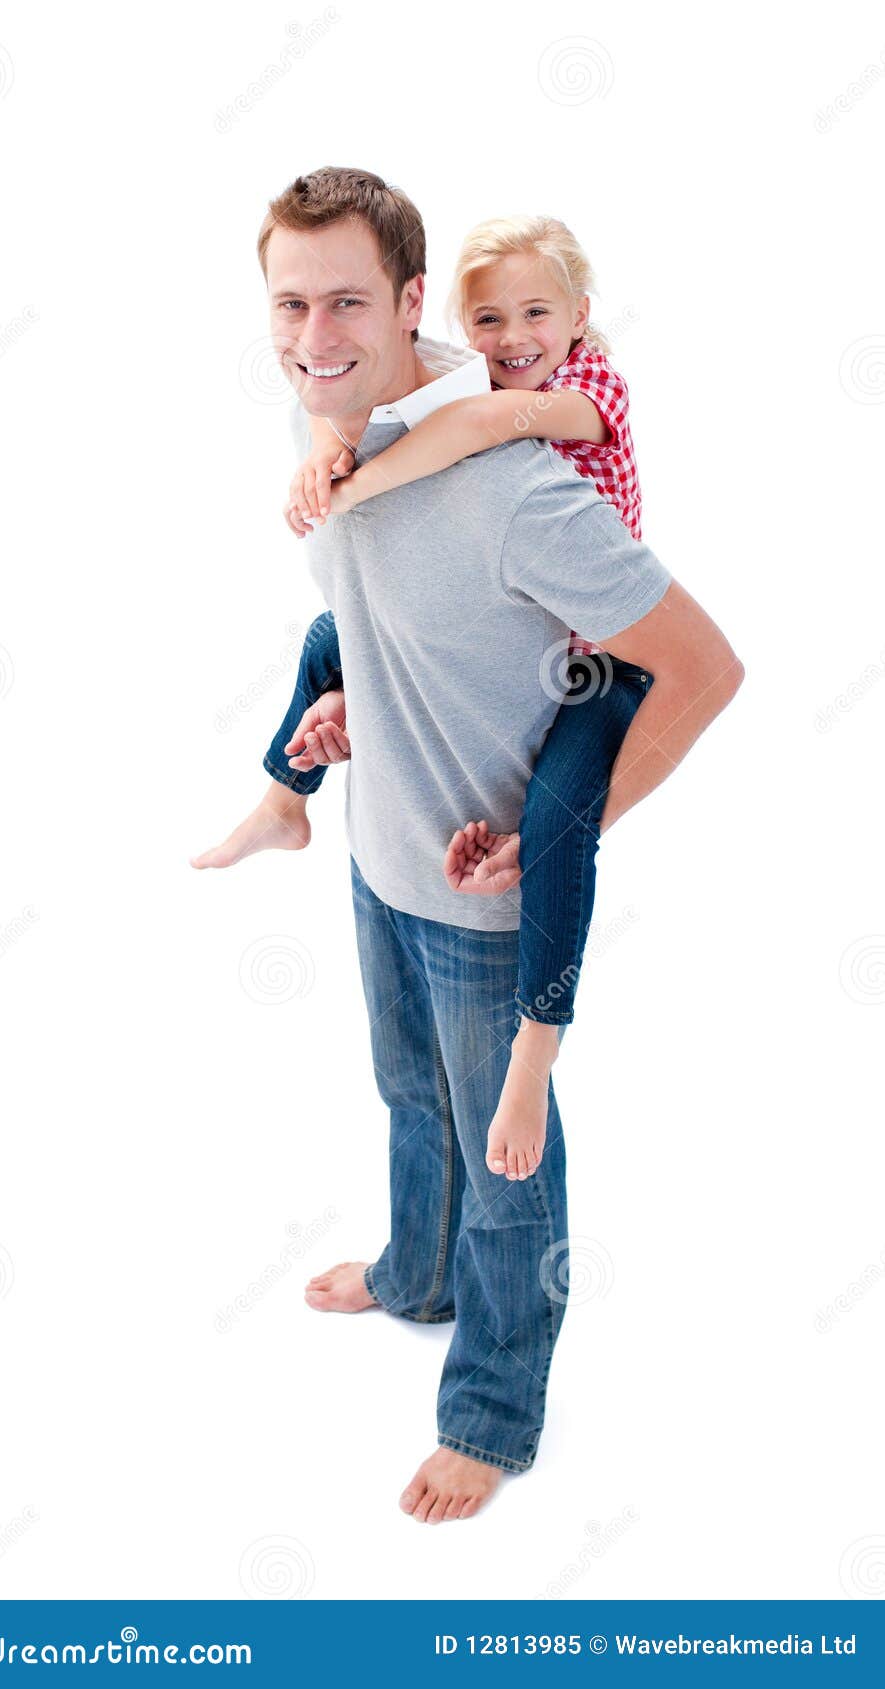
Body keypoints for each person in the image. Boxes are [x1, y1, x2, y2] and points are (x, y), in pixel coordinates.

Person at [195, 167, 744, 1524]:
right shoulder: (334, 414)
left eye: (347, 305)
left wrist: (571, 831)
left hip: (479, 896)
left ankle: (493, 1411)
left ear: (410, 303)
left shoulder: (519, 489)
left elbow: (704, 669)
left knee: (508, 1173)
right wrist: (343, 714)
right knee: (411, 1103)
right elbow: (386, 608)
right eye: (290, 304)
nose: (313, 337)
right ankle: (414, 1276)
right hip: (378, 857)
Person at [194, 214, 655, 1185]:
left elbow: (477, 425)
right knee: (331, 638)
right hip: (517, 640)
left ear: (579, 315)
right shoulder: (480, 369)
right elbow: (373, 392)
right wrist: (323, 443)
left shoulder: (579, 390)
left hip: (599, 664)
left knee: (557, 823)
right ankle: (285, 800)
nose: (510, 336)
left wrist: (349, 489)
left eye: (537, 311)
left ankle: (534, 1051)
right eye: (487, 317)